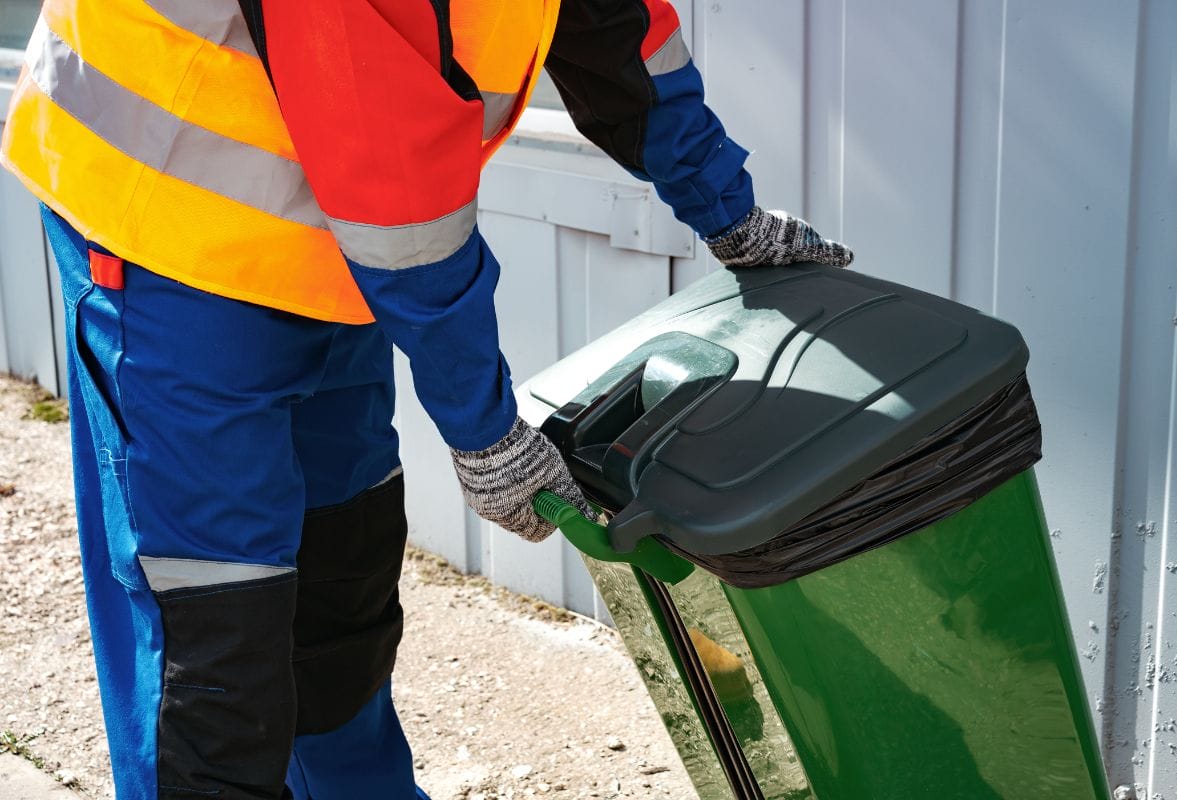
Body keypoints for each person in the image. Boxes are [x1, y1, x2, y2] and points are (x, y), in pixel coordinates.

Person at [0, 1, 852, 797]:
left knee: (344, 573)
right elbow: (381, 139)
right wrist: (482, 430)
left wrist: (725, 207)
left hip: (332, 238)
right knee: (216, 631)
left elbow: (609, 25)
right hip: (169, 226)